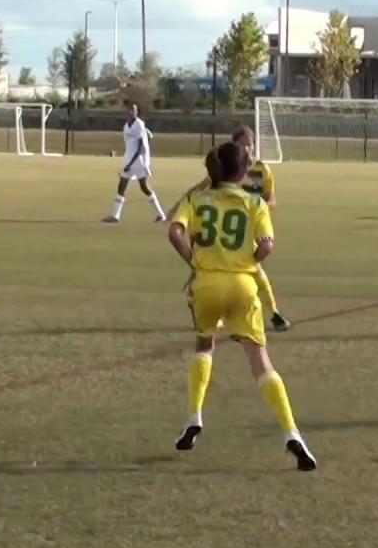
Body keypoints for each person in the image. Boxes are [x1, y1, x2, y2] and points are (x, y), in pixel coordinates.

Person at [166, 142, 316, 471]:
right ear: (243, 171)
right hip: (244, 285)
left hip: (205, 283)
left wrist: (193, 260)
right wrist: (254, 256)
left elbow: (174, 230)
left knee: (204, 346)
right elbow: (266, 246)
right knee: (261, 362)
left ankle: (194, 418)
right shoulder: (254, 202)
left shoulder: (196, 199)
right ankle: (292, 433)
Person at [171, 126, 290, 331]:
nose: (247, 147)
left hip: (250, 226)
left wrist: (255, 206)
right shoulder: (226, 170)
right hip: (224, 227)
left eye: (249, 143)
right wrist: (174, 207)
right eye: (242, 144)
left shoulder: (262, 170)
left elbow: (271, 199)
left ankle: (272, 312)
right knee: (251, 270)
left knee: (252, 271)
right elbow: (200, 188)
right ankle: (272, 314)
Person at [103, 103, 166, 223]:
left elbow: (141, 146)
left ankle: (161, 215)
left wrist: (130, 163)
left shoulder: (139, 125)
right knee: (122, 185)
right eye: (129, 110)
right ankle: (115, 216)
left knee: (144, 187)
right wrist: (127, 160)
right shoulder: (126, 126)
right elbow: (129, 145)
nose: (130, 112)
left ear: (137, 112)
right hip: (129, 160)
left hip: (139, 161)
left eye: (133, 110)